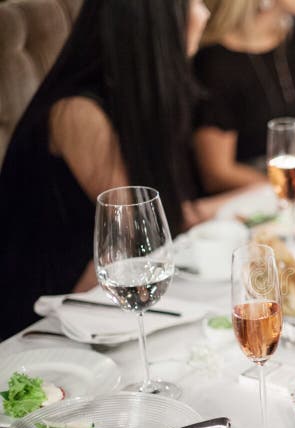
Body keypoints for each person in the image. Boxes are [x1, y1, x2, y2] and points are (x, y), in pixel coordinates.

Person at [0, 0, 238, 340]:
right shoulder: (79, 112)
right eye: (190, 3)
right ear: (150, 24)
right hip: (48, 321)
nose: (203, 13)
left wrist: (265, 194)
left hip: (104, 300)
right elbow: (132, 246)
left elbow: (175, 216)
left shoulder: (139, 100)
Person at [193, 0, 295, 194]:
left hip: (288, 181)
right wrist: (285, 185)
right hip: (242, 195)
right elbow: (218, 174)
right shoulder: (216, 63)